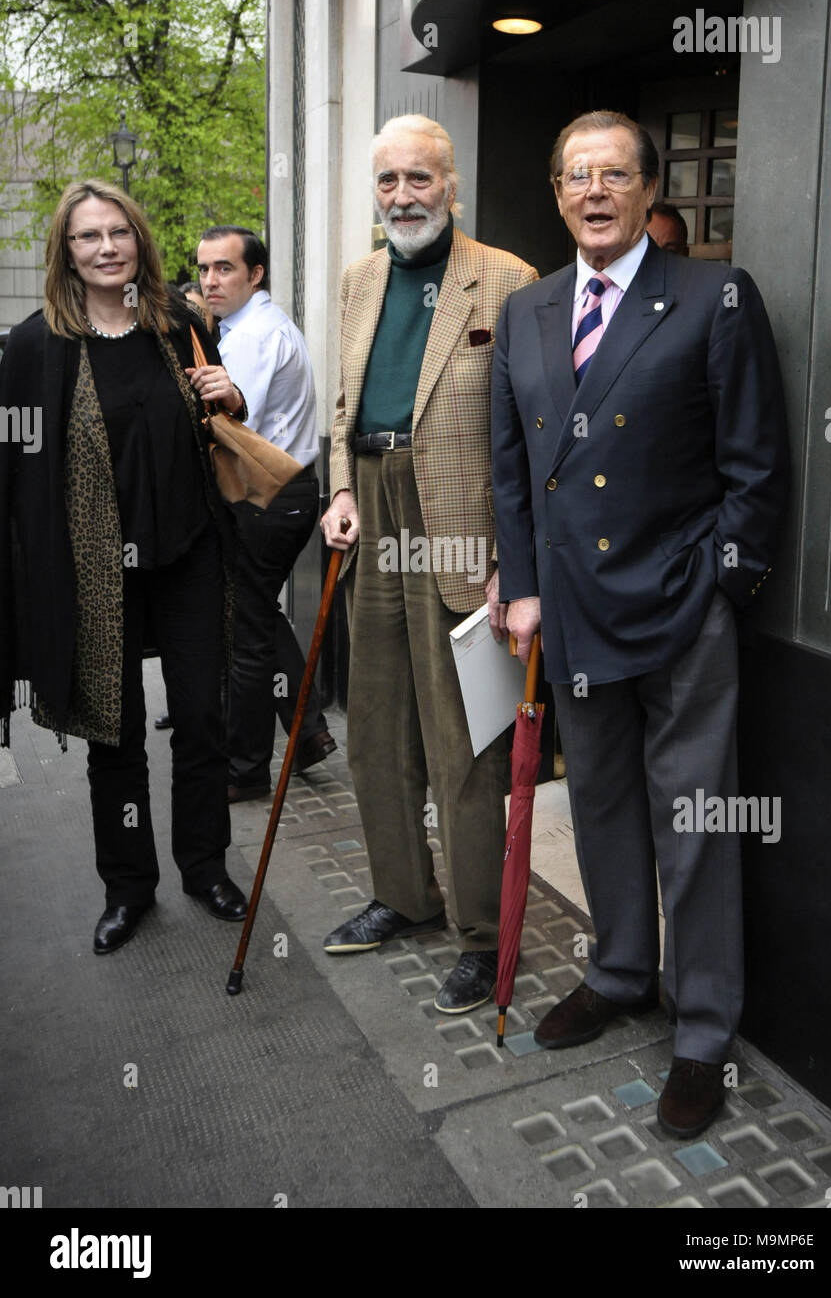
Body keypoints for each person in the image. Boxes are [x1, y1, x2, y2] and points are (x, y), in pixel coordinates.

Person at [492, 110, 788, 1134]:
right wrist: (521, 584)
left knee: (694, 824)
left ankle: (703, 1028)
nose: (595, 191)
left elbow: (757, 466)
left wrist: (721, 586)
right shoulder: (529, 310)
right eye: (577, 175)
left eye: (616, 173)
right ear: (558, 193)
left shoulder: (713, 296)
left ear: (649, 188)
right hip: (568, 614)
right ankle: (619, 969)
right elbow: (514, 470)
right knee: (605, 804)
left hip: (678, 610)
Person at [320, 115, 538, 1014]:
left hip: (464, 534)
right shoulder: (360, 276)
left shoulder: (509, 279)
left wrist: (514, 563)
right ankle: (405, 895)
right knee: (374, 728)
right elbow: (343, 403)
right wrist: (339, 490)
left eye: (419, 179)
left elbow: (528, 435)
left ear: (452, 184)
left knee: (465, 747)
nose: (402, 196)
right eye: (387, 182)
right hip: (374, 513)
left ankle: (485, 938)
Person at [0, 179, 250, 953]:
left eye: (118, 233)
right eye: (88, 237)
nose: (107, 248)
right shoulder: (36, 344)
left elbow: (219, 422)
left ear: (139, 239)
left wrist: (230, 395)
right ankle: (127, 887)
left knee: (203, 720)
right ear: (65, 253)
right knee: (116, 731)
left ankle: (205, 865)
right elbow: (16, 468)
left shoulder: (177, 322)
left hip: (187, 551)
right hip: (96, 567)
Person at [195, 226, 334, 801]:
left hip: (267, 497)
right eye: (204, 269)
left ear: (256, 274)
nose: (209, 282)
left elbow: (228, 423)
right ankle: (308, 734)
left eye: (224, 269)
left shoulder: (251, 337)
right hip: (286, 493)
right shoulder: (259, 326)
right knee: (259, 615)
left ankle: (246, 769)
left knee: (247, 633)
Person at [154, 279, 218, 731]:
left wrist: (231, 396)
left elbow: (227, 417)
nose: (211, 281)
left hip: (199, 530)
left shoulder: (185, 327)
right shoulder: (51, 339)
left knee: (255, 622)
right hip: (110, 552)